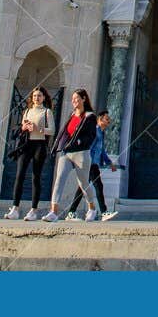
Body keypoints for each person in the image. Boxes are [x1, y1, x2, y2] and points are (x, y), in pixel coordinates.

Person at [43, 88, 101, 222]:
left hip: (81, 153)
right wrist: (59, 144)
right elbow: (66, 132)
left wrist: (80, 142)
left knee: (84, 183)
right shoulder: (72, 114)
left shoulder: (89, 116)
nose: (74, 101)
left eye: (77, 98)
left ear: (84, 99)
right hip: (66, 152)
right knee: (59, 179)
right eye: (73, 99)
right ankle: (53, 212)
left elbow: (91, 136)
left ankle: (92, 208)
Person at [6, 86, 54, 220]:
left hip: (39, 145)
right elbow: (22, 129)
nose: (36, 98)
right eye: (34, 96)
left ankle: (34, 210)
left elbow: (52, 130)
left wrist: (38, 129)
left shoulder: (47, 112)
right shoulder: (27, 111)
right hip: (26, 144)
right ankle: (15, 208)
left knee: (35, 177)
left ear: (44, 97)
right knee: (19, 175)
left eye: (39, 96)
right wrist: (24, 127)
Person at [65, 108, 118, 220]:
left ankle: (71, 212)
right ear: (100, 119)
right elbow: (88, 147)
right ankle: (104, 212)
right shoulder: (94, 131)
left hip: (93, 164)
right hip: (90, 163)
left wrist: (109, 163)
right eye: (107, 119)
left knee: (82, 188)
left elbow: (102, 151)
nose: (109, 121)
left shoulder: (101, 133)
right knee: (98, 186)